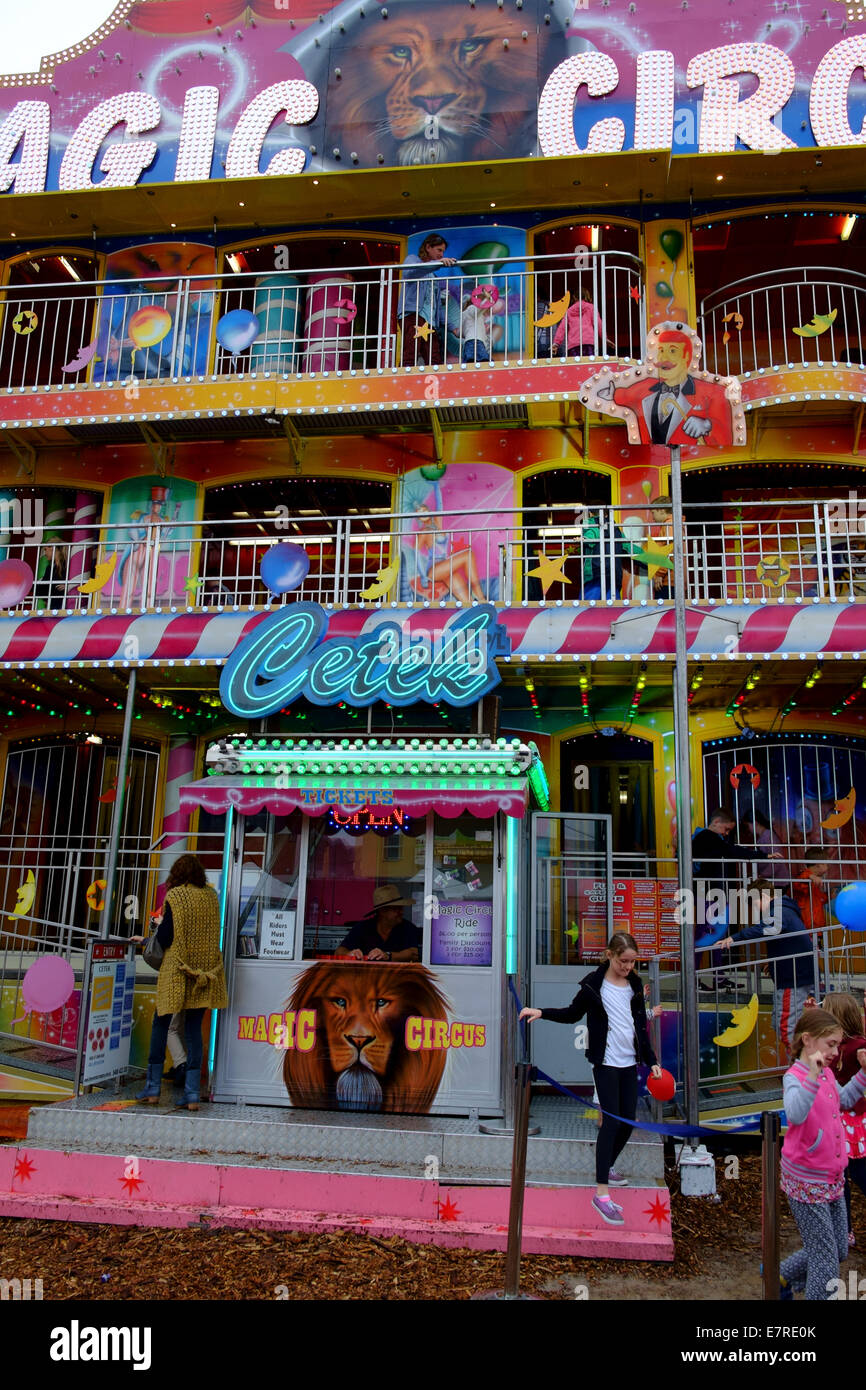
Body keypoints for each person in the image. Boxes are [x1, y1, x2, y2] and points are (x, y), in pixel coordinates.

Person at [518, 931, 661, 1227]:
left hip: (629, 1061)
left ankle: (605, 1165)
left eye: (633, 962)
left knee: (628, 1120)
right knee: (610, 1121)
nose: (628, 967)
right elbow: (572, 1014)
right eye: (623, 961)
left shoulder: (633, 983)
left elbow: (640, 1027)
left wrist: (652, 1061)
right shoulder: (593, 986)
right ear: (609, 955)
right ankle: (601, 1194)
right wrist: (541, 1012)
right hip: (605, 1062)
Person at [776, 1006, 866, 1300]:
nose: (836, 1052)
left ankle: (781, 1276)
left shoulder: (826, 1073)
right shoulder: (795, 1076)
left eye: (838, 1045)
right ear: (807, 1040)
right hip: (806, 1180)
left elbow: (843, 1101)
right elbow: (796, 1113)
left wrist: (863, 1075)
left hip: (832, 1177)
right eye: (831, 1045)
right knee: (825, 1261)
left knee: (838, 1248)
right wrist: (813, 1074)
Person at [135, 854, 228, 1110]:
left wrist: (149, 942)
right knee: (193, 1030)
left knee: (161, 1023)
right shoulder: (211, 897)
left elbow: (166, 936)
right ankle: (191, 1094)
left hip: (177, 970)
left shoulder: (175, 897)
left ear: (176, 874)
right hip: (203, 972)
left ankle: (152, 1088)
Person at [717, 878, 817, 1058]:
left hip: (792, 977)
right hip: (794, 974)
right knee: (784, 1024)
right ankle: (800, 1069)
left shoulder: (779, 910)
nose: (755, 909)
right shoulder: (785, 909)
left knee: (787, 1026)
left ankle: (799, 1071)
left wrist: (734, 938)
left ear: (763, 896)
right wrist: (773, 964)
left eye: (754, 903)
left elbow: (768, 928)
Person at [602, 328, 736, 448]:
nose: (663, 358)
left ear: (687, 357)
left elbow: (726, 434)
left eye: (672, 351)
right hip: (651, 459)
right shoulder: (643, 387)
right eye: (661, 351)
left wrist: (708, 425)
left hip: (688, 461)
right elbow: (619, 394)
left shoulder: (711, 392)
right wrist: (608, 391)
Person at [821, 992, 866, 1248]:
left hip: (853, 1121)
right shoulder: (832, 1047)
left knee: (857, 1172)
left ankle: (844, 1228)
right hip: (837, 1118)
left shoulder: (857, 1045)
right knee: (841, 1178)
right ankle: (844, 1228)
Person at [397, 234, 457, 366]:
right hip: (413, 315)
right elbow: (409, 273)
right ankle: (404, 382)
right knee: (410, 352)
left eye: (443, 251)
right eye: (439, 250)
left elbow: (436, 307)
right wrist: (437, 263)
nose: (441, 254)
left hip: (430, 321)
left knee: (434, 357)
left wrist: (452, 327)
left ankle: (436, 383)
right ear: (428, 247)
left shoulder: (434, 276)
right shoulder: (413, 259)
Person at [336, 883, 421, 962]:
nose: (401, 912)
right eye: (396, 909)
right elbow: (339, 951)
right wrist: (350, 954)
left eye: (401, 908)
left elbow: (414, 954)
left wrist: (388, 955)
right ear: (382, 911)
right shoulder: (363, 927)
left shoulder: (407, 927)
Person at [739, 807, 790, 885]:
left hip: (778, 881)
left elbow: (777, 859)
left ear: (755, 823)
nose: (748, 829)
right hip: (772, 880)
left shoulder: (768, 836)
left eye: (748, 826)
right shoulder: (764, 835)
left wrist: (762, 876)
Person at [552, 287, 606, 357]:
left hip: (573, 344)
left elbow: (562, 328)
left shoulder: (569, 311)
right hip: (588, 342)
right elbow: (598, 323)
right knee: (589, 365)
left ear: (574, 297)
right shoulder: (591, 307)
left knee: (576, 366)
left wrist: (556, 343)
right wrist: (604, 338)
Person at [792, 850, 832, 932]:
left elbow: (819, 899)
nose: (828, 867)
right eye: (826, 864)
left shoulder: (814, 881)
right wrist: (810, 876)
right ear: (818, 865)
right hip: (808, 926)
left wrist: (829, 896)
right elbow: (799, 881)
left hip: (816, 925)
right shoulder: (805, 877)